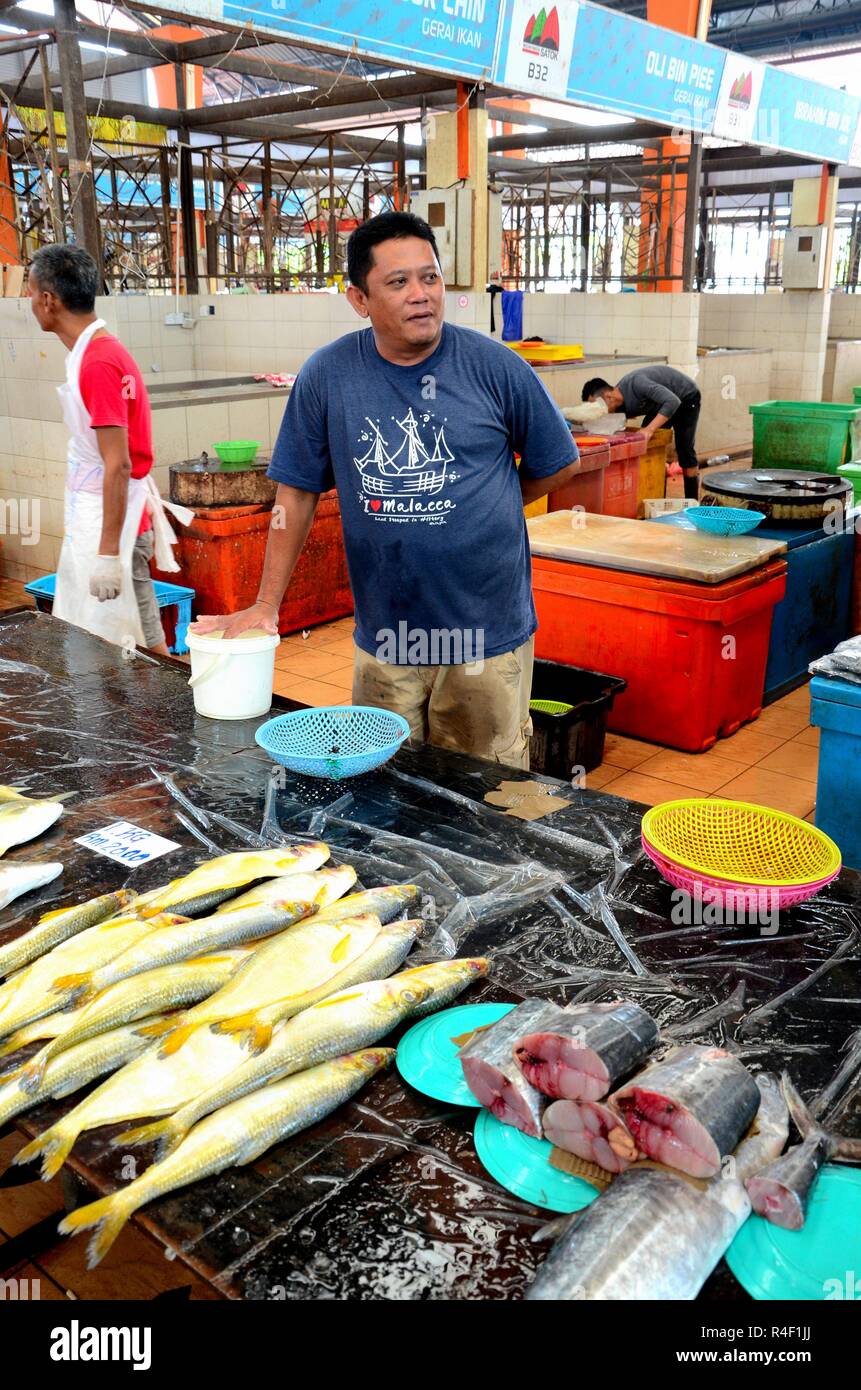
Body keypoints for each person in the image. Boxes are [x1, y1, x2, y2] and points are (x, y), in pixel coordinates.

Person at [194, 211, 580, 768]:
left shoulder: (496, 367)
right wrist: (265, 603)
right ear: (359, 299)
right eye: (398, 283)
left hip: (485, 635)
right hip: (388, 634)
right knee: (385, 781)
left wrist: (494, 498)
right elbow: (296, 494)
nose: (421, 295)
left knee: (485, 791)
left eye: (431, 277)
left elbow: (557, 463)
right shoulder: (328, 376)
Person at [28, 245, 188, 654]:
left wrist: (105, 554)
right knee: (113, 639)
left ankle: (165, 717)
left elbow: (118, 464)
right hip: (103, 517)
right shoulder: (90, 353)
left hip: (115, 526)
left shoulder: (98, 361)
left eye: (30, 294)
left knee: (143, 640)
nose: (30, 304)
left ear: (49, 300)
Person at [582, 366, 702, 500]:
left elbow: (673, 401)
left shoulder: (637, 383)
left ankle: (692, 503)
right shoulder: (616, 404)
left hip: (686, 396)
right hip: (662, 403)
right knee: (646, 447)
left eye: (596, 406)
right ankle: (654, 496)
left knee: (684, 449)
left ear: (608, 396)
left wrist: (649, 429)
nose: (598, 410)